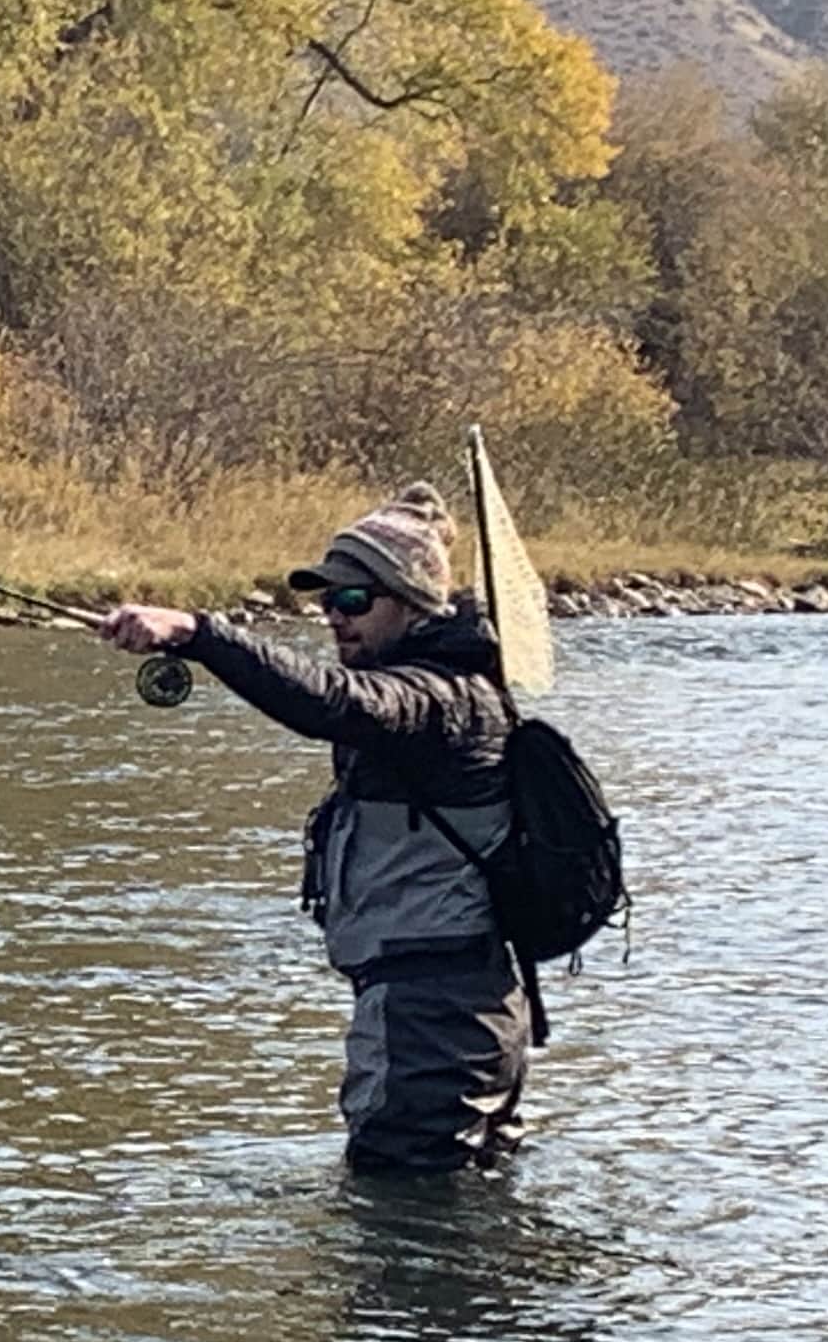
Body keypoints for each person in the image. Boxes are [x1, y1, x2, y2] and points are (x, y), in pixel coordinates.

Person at [98, 482, 531, 1174]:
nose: (335, 615)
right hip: (450, 1014)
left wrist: (199, 634)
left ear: (412, 601)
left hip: (433, 1024)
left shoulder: (439, 699)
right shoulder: (432, 692)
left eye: (356, 599)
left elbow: (331, 703)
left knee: (398, 1235)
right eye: (327, 599)